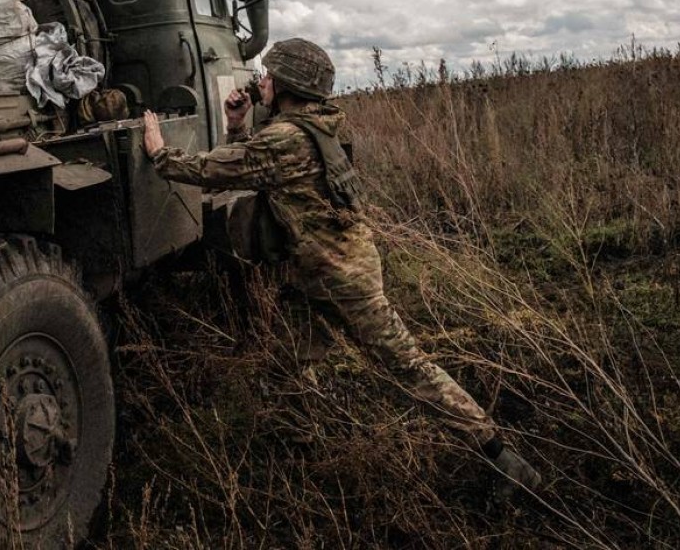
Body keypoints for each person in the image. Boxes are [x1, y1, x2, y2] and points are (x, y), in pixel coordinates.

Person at [141, 37, 542, 496]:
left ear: (288, 84)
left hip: (341, 280)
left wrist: (158, 152)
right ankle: (300, 452)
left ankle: (503, 457)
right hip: (318, 276)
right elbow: (259, 168)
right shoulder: (316, 127)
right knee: (285, 366)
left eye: (269, 75)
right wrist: (238, 123)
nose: (261, 81)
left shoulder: (287, 138)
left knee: (409, 368)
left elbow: (219, 170)